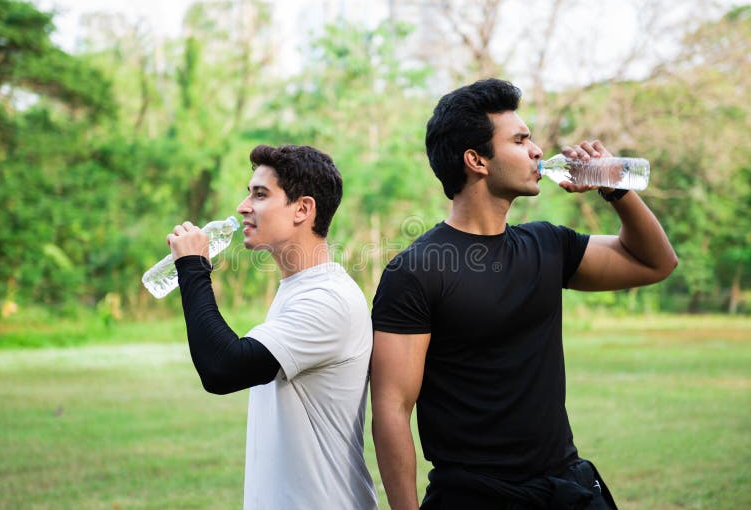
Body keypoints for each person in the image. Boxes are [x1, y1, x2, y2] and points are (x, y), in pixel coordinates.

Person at [370, 79, 678, 509]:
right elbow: (392, 408)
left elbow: (655, 263)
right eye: (520, 140)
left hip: (567, 488)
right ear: (476, 160)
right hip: (475, 497)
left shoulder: (547, 244)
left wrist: (616, 188)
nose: (537, 150)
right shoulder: (416, 270)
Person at [167, 144, 377, 510]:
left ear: (303, 209)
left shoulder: (328, 299)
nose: (243, 206)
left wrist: (192, 268)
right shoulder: (299, 289)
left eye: (260, 194)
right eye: (248, 193)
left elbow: (223, 368)